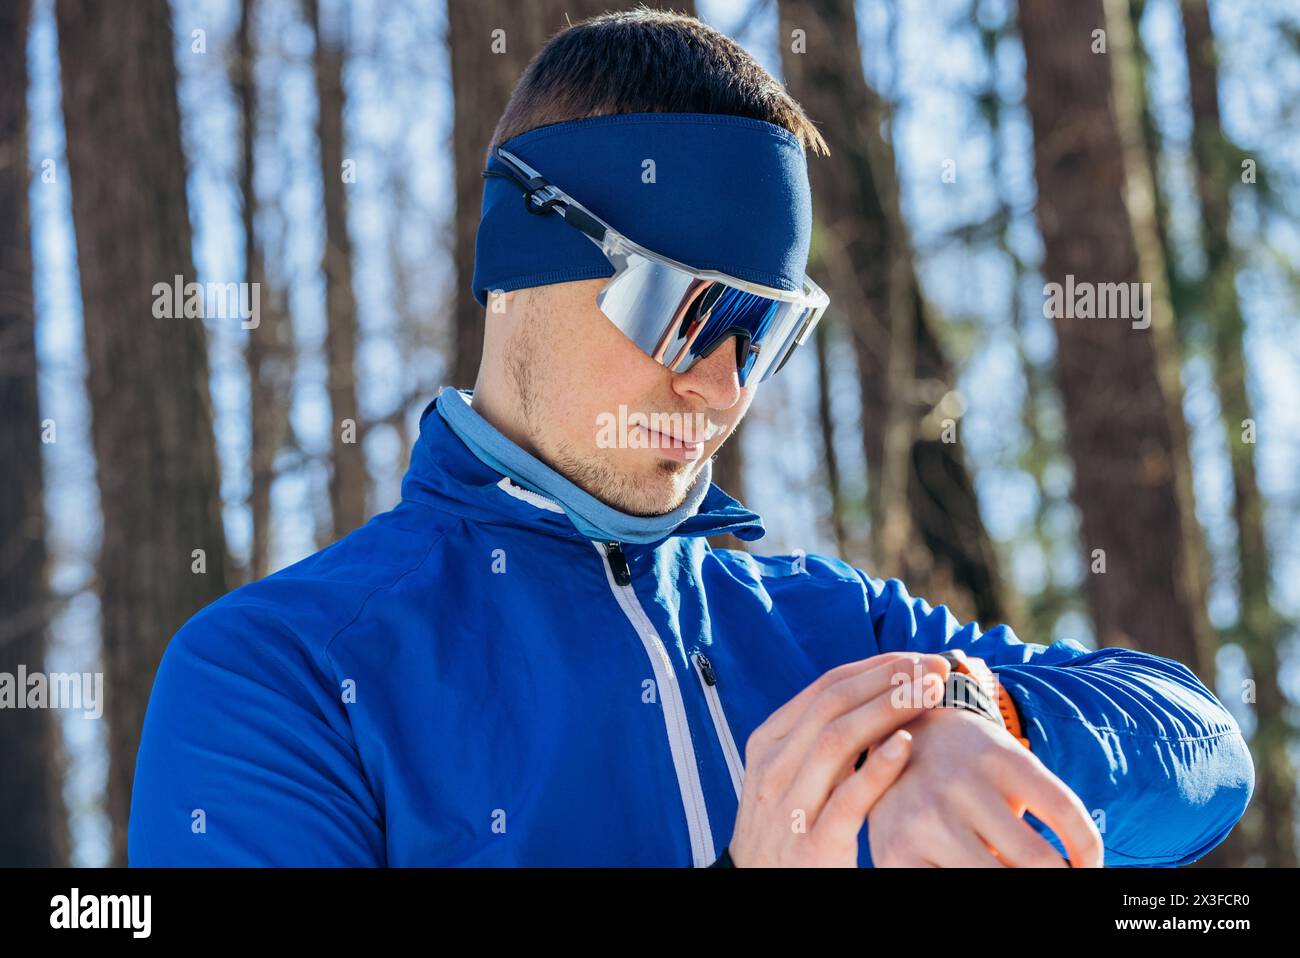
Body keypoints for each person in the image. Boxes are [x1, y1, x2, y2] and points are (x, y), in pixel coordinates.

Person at [129, 8, 1253, 867]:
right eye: (684, 305)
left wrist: (977, 711)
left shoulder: (837, 631)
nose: (719, 385)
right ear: (524, 265)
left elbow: (1205, 748)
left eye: (764, 331)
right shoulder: (280, 678)